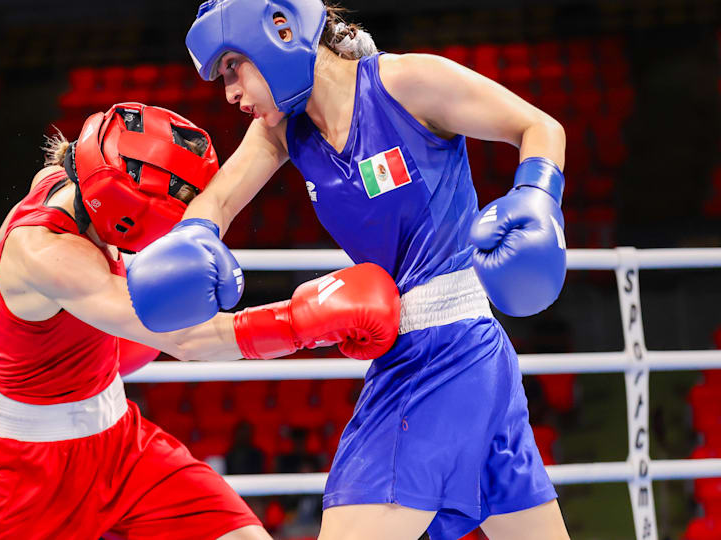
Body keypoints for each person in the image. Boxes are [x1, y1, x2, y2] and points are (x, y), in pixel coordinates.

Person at [126, 1, 571, 539]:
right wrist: (193, 238)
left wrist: (537, 198)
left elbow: (537, 126)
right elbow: (216, 202)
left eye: (232, 67)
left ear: (280, 31)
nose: (230, 93)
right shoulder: (284, 133)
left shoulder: (406, 81)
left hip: (445, 356)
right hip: (448, 358)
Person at [0, 102, 404, 539]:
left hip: (121, 441)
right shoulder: (50, 254)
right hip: (37, 469)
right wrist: (300, 322)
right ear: (125, 212)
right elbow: (186, 340)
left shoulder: (66, 183)